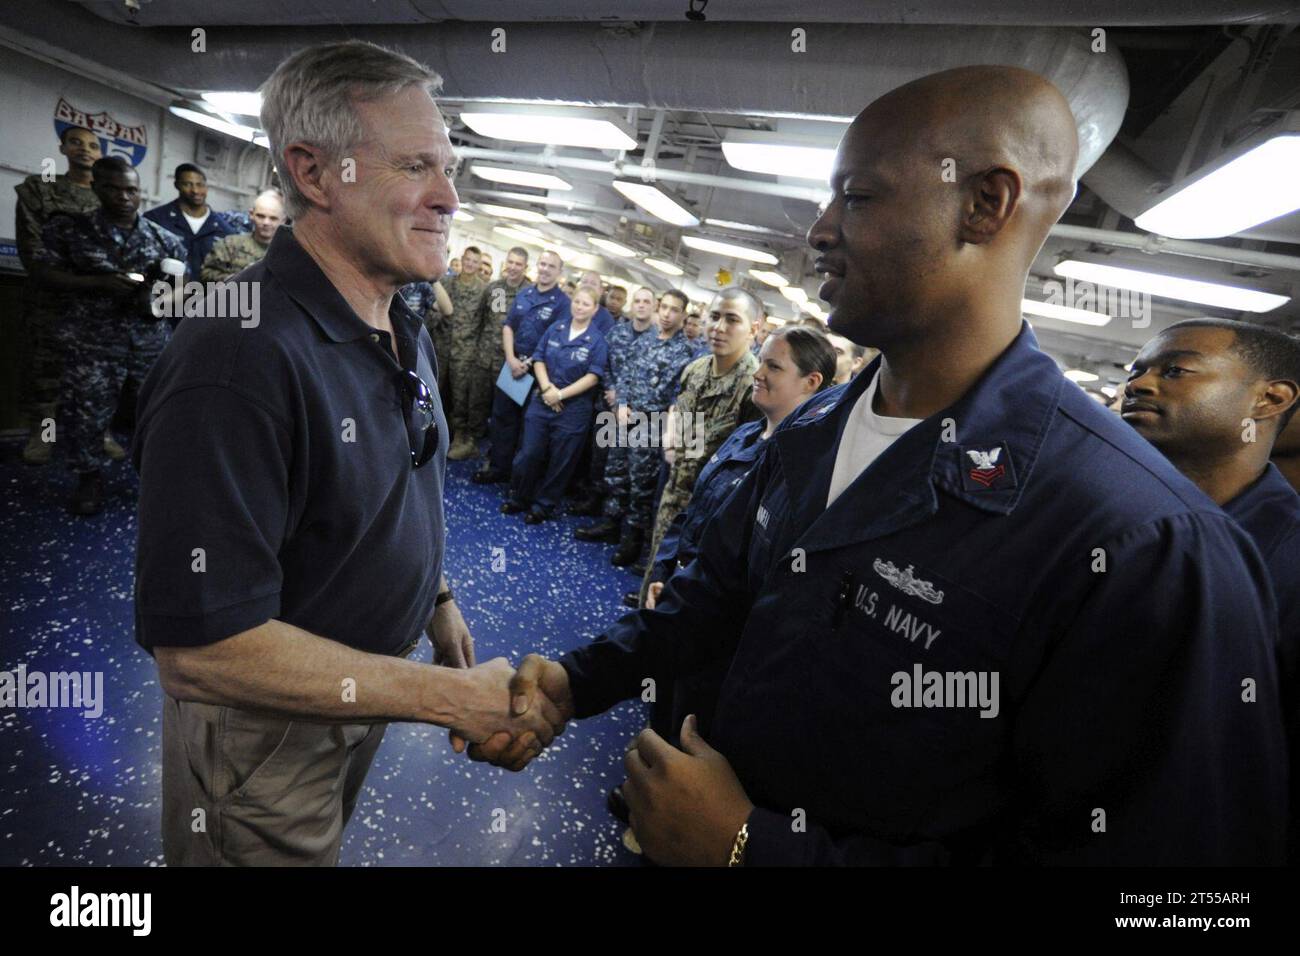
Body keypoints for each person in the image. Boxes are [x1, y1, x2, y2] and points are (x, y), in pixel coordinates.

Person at [470, 65, 1287, 866]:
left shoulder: (1145, 540)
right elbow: (711, 600)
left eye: (856, 197)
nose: (819, 230)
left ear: (985, 204)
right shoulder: (813, 429)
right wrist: (579, 681)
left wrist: (756, 849)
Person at [131, 41, 562, 867]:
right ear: (316, 172)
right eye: (415, 167)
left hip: (359, 696)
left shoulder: (396, 314)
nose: (448, 198)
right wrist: (444, 699)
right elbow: (200, 650)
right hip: (267, 734)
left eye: (449, 168)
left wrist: (434, 597)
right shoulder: (237, 356)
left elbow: (402, 474)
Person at [1122, 317, 1300, 857]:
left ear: (1268, 399)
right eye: (1138, 370)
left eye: (1175, 371)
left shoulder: (1288, 556)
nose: (1139, 383)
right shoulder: (1092, 517)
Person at [641, 326, 837, 744]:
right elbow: (693, 512)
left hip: (717, 626)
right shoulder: (744, 436)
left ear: (811, 382)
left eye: (773, 366)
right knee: (660, 701)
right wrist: (664, 571)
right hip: (682, 591)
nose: (758, 372)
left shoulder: (798, 473)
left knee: (688, 722)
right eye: (760, 360)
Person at [33, 156, 187, 515]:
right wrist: (97, 283)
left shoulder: (164, 239)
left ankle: (156, 477)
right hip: (92, 343)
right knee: (86, 412)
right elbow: (43, 274)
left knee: (157, 413)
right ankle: (89, 477)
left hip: (148, 344)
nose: (123, 197)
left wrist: (160, 303)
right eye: (114, 189)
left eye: (131, 190)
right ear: (97, 188)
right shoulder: (69, 231)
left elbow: (182, 286)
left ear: (140, 193)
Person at [633, 287, 762, 606]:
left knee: (682, 604)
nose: (718, 328)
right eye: (715, 317)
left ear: (754, 329)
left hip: (711, 519)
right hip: (675, 493)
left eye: (732, 320)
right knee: (652, 584)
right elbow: (680, 408)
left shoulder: (753, 387)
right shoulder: (696, 369)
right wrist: (671, 439)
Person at [577, 289, 694, 567]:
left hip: (651, 424)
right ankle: (610, 525)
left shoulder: (687, 353)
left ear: (683, 315)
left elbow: (678, 400)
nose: (666, 314)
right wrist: (622, 403)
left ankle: (632, 541)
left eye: (673, 309)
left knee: (641, 486)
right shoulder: (645, 339)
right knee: (613, 474)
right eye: (663, 307)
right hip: (621, 416)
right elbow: (626, 373)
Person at [15, 123, 103, 466]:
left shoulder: (111, 194)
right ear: (63, 148)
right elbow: (33, 250)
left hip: (97, 307)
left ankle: (99, 433)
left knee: (98, 375)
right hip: (51, 299)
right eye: (76, 143)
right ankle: (44, 434)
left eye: (93, 145)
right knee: (46, 372)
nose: (85, 149)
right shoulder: (42, 189)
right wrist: (81, 277)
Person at [503, 287, 609, 523]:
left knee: (560, 462)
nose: (579, 307)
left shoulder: (598, 341)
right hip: (543, 399)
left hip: (573, 409)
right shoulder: (556, 328)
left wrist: (560, 395)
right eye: (577, 301)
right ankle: (520, 497)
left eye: (586, 304)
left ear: (595, 309)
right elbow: (539, 358)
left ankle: (543, 505)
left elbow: (593, 377)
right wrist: (549, 390)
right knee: (528, 453)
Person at [474, 248, 570, 484]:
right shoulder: (525, 294)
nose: (545, 269)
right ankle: (498, 468)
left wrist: (525, 364)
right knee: (502, 418)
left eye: (551, 266)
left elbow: (553, 341)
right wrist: (510, 359)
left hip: (539, 373)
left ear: (559, 272)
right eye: (543, 264)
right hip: (513, 364)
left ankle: (518, 479)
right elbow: (508, 326)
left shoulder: (562, 304)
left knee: (528, 427)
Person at [571, 286, 657, 519]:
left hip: (634, 414)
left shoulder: (658, 339)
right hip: (607, 406)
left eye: (646, 301)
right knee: (600, 458)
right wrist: (610, 389)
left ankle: (616, 513)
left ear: (653, 306)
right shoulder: (617, 332)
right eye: (637, 300)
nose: (641, 305)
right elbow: (603, 363)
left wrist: (622, 396)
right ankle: (595, 501)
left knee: (627, 467)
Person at [456, 246, 529, 460]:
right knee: (476, 404)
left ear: (525, 267)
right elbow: (481, 320)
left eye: (518, 264)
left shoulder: (529, 295)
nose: (513, 267)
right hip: (484, 358)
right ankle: (470, 443)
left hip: (511, 364)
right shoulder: (495, 289)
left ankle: (497, 456)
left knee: (505, 415)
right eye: (510, 262)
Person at [143, 163, 243, 281]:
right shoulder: (156, 221)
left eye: (200, 185)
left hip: (207, 297)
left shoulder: (225, 230)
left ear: (206, 187)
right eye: (187, 184)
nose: (195, 190)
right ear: (177, 185)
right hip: (166, 294)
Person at [443, 246, 488, 456]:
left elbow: (490, 322)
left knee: (461, 399)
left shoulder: (485, 290)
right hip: (441, 348)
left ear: (480, 265)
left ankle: (460, 439)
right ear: (462, 260)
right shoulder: (446, 283)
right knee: (437, 393)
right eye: (467, 260)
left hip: (466, 353)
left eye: (474, 261)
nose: (470, 264)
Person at [199, 189, 287, 280]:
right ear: (251, 214)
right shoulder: (230, 245)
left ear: (283, 220)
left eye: (273, 218)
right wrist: (237, 280)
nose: (266, 222)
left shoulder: (288, 254)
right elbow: (206, 274)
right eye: (260, 216)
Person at [577, 270, 616, 336]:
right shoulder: (566, 307)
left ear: (600, 291)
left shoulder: (606, 319)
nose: (588, 286)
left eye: (593, 284)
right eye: (584, 282)